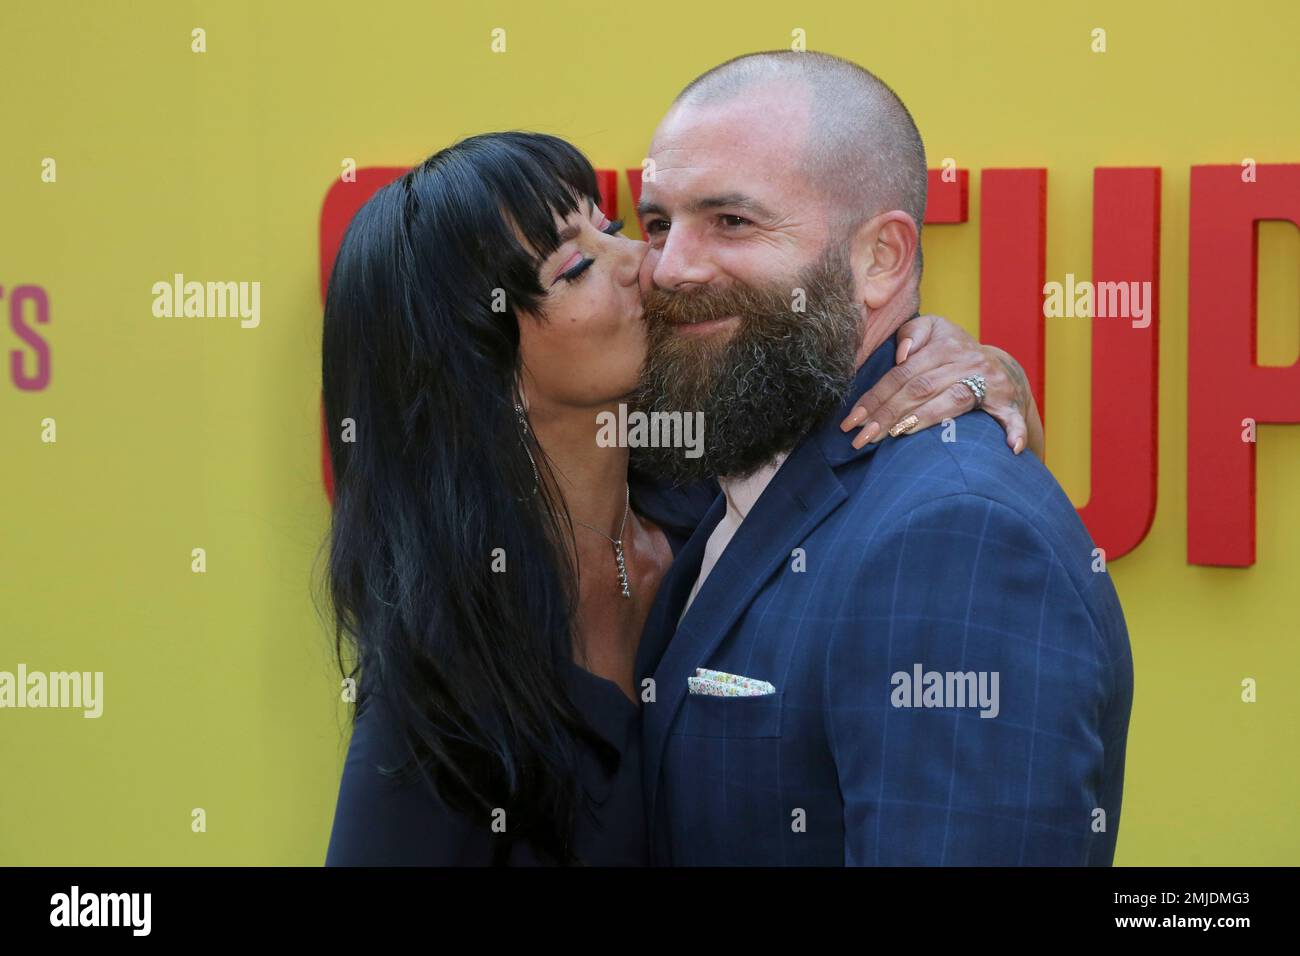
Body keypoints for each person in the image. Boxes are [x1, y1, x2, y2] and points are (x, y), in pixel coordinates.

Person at [320, 129, 1041, 865]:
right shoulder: (444, 690)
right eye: (576, 267)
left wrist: (984, 372)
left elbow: (869, 416)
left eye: (611, 229)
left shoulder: (717, 490)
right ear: (480, 370)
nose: (648, 263)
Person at [633, 50, 1134, 866]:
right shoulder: (716, 461)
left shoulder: (955, 536)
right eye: (657, 224)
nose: (671, 268)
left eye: (732, 221)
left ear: (883, 259)